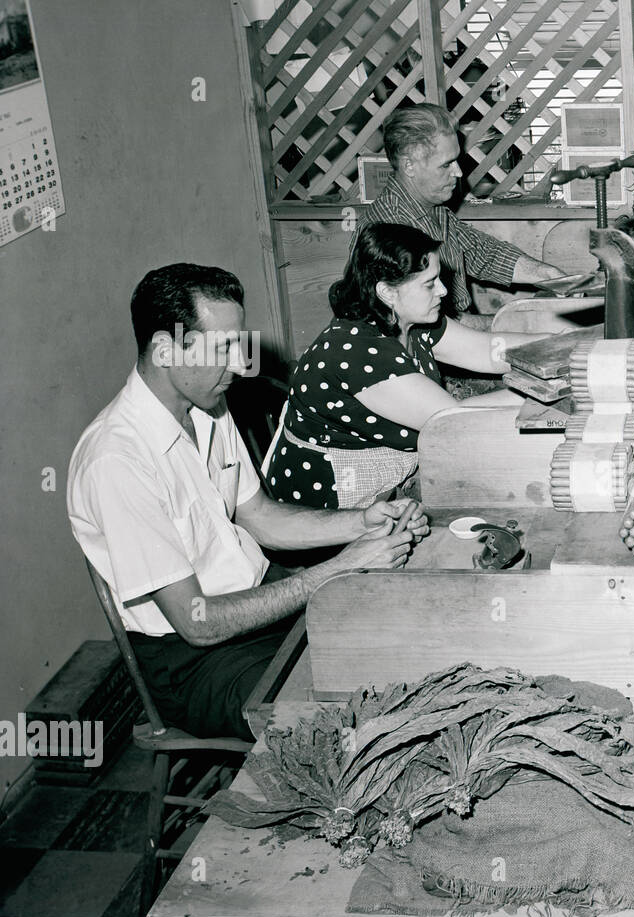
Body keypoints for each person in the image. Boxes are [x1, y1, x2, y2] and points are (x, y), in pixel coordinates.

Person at [68, 264, 430, 741]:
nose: (240, 364)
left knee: (401, 639)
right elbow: (198, 622)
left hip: (258, 606)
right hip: (193, 660)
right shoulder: (115, 461)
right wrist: (335, 571)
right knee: (347, 722)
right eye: (223, 348)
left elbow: (260, 516)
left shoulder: (209, 408)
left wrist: (360, 524)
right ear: (163, 349)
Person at [265, 223, 540, 510]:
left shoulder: (408, 322)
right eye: (430, 283)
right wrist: (544, 390)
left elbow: (488, 351)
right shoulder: (358, 352)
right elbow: (453, 422)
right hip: (330, 510)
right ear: (387, 292)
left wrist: (564, 346)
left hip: (389, 484)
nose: (444, 291)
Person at [358, 104, 567, 330]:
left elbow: (482, 252)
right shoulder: (390, 230)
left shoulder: (432, 208)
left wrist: (550, 275)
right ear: (409, 166)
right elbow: (434, 329)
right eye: (446, 164)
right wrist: (521, 323)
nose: (458, 172)